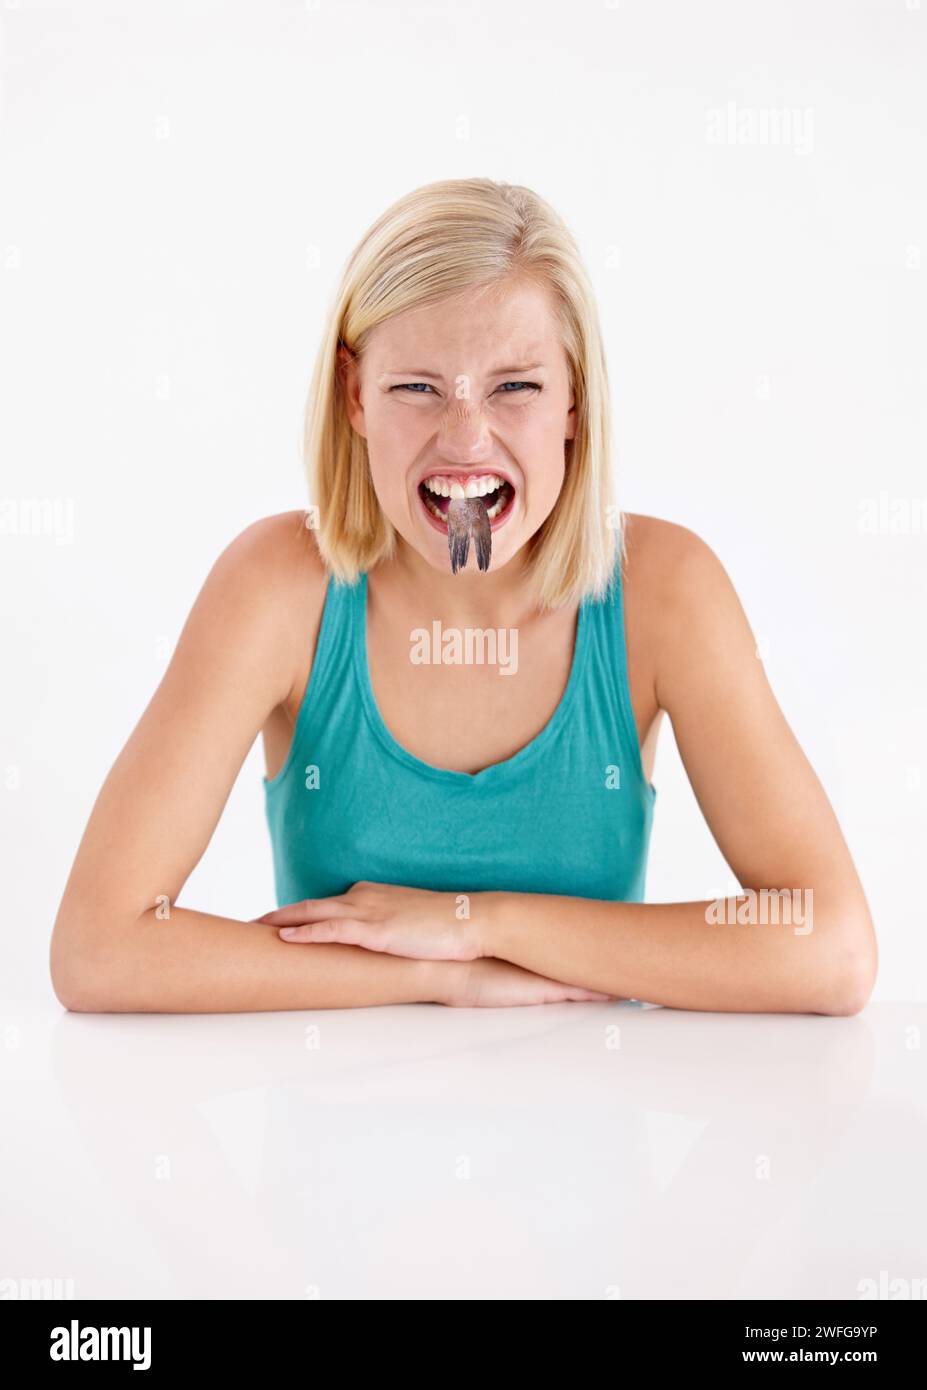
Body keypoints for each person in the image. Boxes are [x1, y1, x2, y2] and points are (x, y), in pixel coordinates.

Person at [50, 178, 877, 1014]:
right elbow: (99, 949)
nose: (466, 438)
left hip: (595, 1125)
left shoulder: (664, 591)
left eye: (513, 387)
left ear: (573, 405)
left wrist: (475, 923)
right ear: (354, 397)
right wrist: (439, 975)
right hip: (326, 1135)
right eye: (418, 387)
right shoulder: (280, 586)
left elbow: (831, 948)